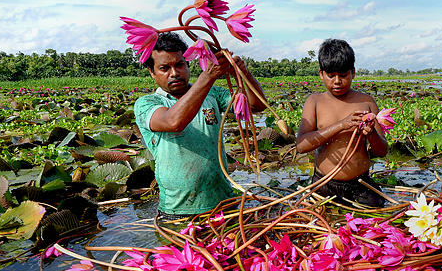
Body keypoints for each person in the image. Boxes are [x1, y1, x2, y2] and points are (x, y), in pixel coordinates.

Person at [134, 32, 267, 217]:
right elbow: (174, 122)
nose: (174, 73)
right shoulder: (147, 104)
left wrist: (241, 72)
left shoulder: (213, 94)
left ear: (188, 64)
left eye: (179, 64)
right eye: (164, 68)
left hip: (222, 204)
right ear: (152, 73)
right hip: (177, 210)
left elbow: (256, 105)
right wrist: (208, 76)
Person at [296, 39, 388, 207]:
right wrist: (340, 125)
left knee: (376, 216)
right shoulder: (315, 102)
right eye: (331, 76)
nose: (337, 81)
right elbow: (302, 145)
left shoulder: (366, 102)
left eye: (343, 75)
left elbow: (382, 151)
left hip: (360, 184)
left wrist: (372, 134)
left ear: (353, 72)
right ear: (321, 74)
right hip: (324, 184)